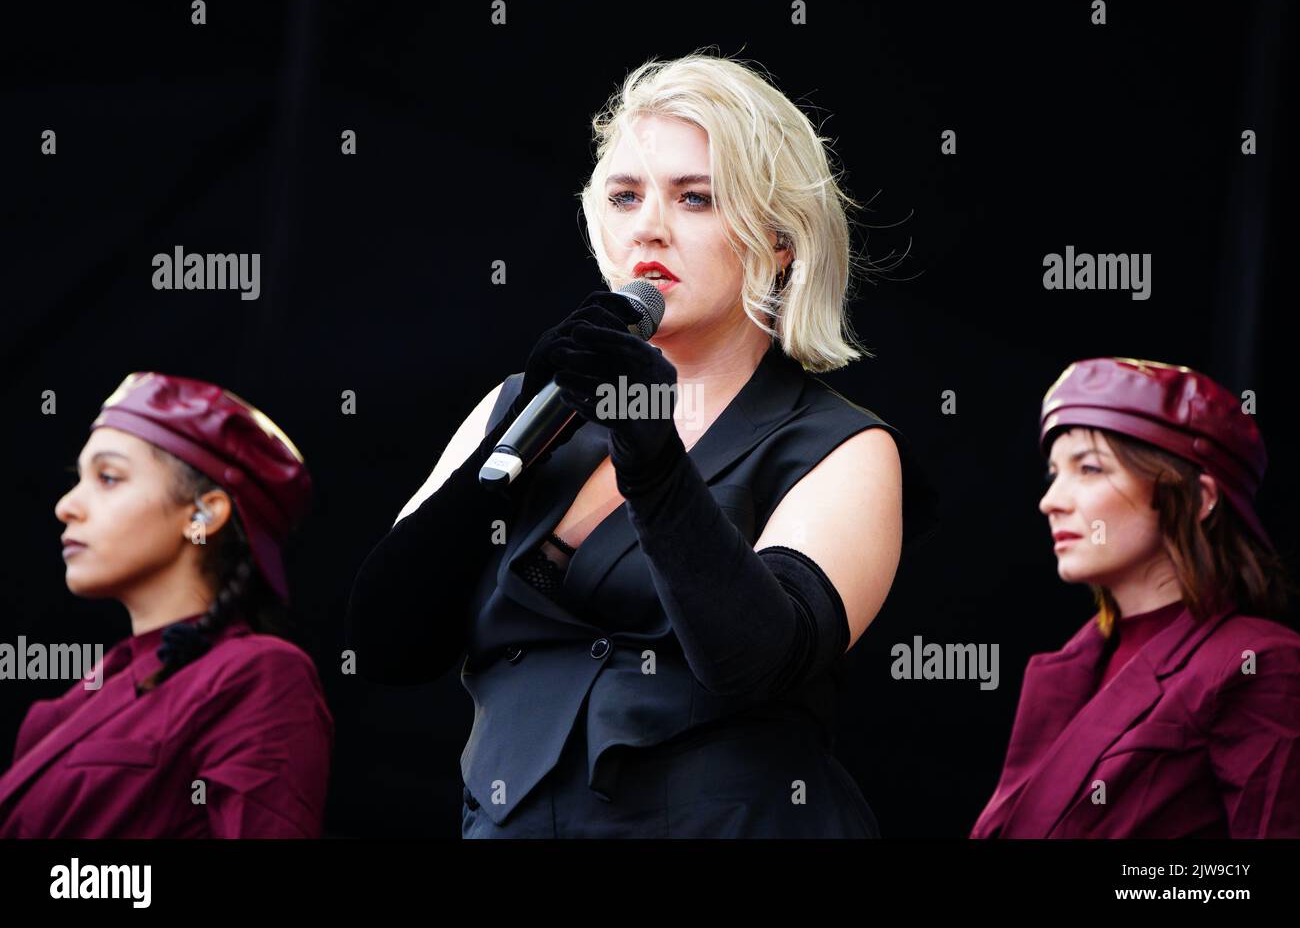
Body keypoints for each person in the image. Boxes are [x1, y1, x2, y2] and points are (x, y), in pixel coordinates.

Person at [349, 52, 938, 837]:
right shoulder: (518, 407)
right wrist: (519, 436)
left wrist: (654, 457)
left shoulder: (840, 445)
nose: (649, 225)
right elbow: (387, 642)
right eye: (625, 196)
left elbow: (757, 664)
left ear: (780, 238)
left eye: (696, 198)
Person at [971, 357, 1300, 838]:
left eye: (1089, 468)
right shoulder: (1073, 665)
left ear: (1199, 497)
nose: (1051, 500)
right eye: (1053, 473)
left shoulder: (1259, 664)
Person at [0, 372, 333, 837]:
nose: (66, 506)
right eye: (79, 479)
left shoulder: (259, 674)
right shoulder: (67, 706)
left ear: (203, 513)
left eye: (109, 478)